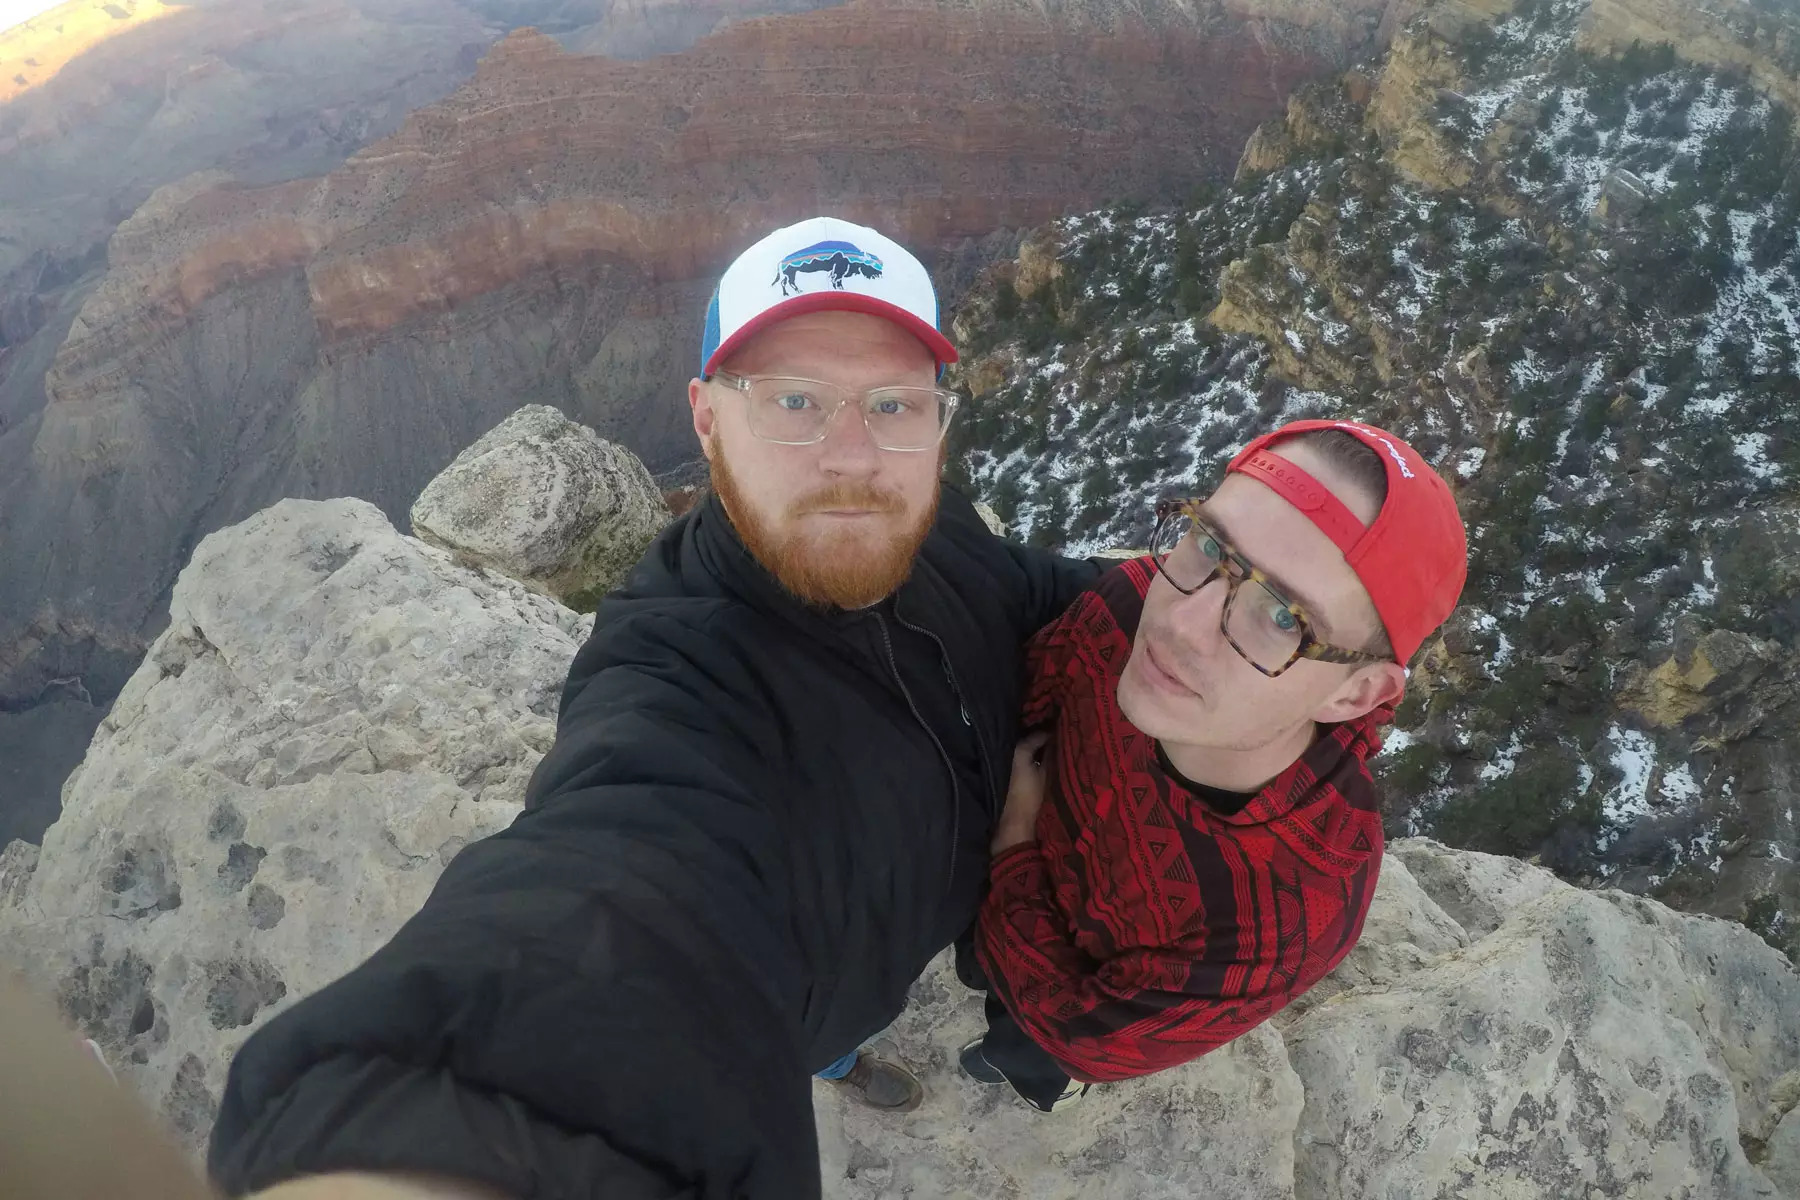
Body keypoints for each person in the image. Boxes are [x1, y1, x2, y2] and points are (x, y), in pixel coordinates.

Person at [205, 217, 1100, 1199]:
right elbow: (622, 895)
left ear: (939, 420)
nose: (852, 455)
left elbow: (1047, 596)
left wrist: (1215, 606)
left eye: (893, 403)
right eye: (793, 401)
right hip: (791, 986)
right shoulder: (680, 664)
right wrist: (435, 1148)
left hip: (909, 929)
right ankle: (831, 1059)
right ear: (706, 420)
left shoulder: (943, 529)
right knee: (815, 1029)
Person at [958, 420, 1467, 1113]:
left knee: (1026, 1051)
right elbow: (1033, 688)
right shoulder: (1128, 602)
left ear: (1356, 693)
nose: (1179, 623)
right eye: (1209, 544)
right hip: (1013, 885)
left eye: (1284, 617)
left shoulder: (1290, 912)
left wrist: (1012, 845)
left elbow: (1085, 1036)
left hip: (1061, 951)